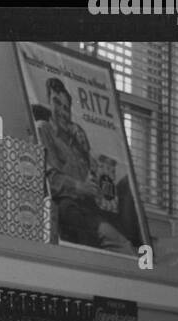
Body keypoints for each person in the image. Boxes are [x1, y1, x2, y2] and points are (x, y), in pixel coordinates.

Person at [38, 76, 137, 254]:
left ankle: (142, 247)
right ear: (48, 102)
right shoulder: (44, 129)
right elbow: (48, 178)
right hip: (69, 206)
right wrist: (79, 187)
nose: (61, 111)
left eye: (66, 108)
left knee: (128, 184)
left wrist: (85, 150)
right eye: (57, 103)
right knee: (125, 248)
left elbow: (94, 177)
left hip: (92, 206)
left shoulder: (75, 141)